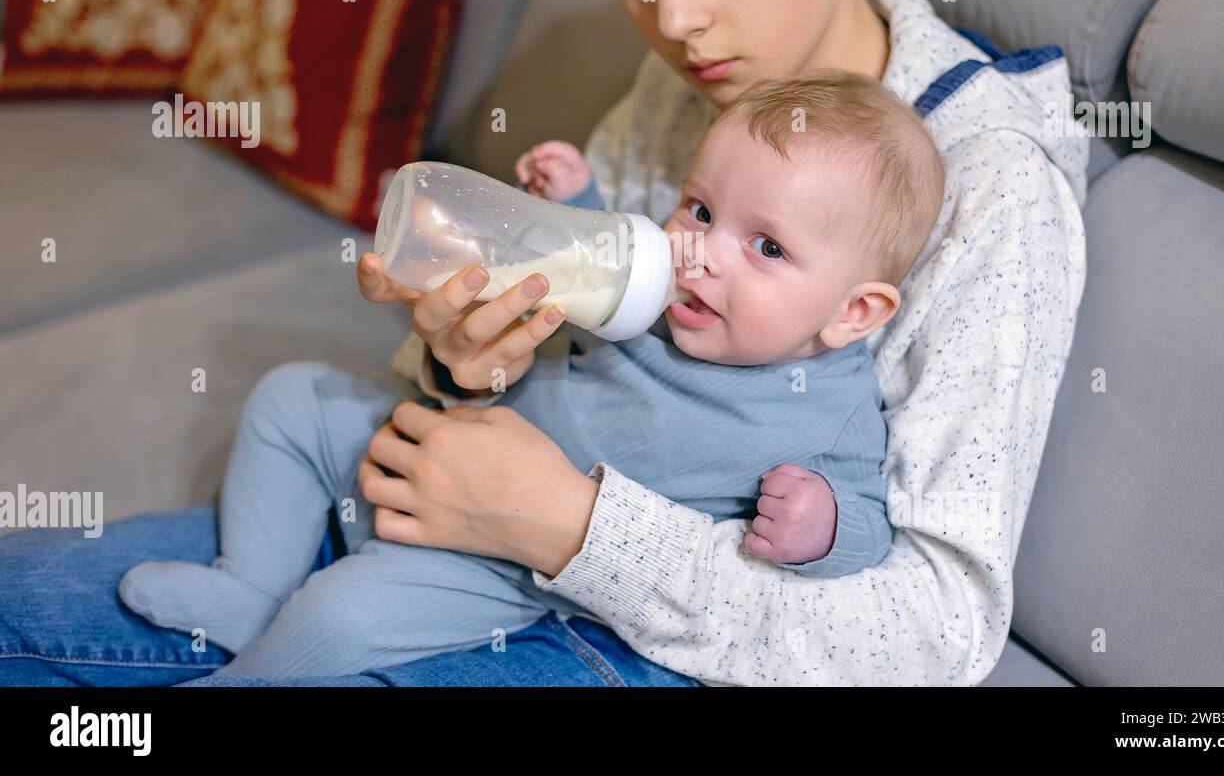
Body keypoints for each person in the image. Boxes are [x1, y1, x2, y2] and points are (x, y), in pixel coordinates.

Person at [0, 0, 1086, 687]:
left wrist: (570, 525)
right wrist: (465, 359)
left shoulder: (990, 183)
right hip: (473, 495)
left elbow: (934, 634)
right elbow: (575, 340)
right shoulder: (694, 82)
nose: (678, 21)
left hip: (654, 625)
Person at [113, 72, 943, 680]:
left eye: (766, 247)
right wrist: (578, 201)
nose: (700, 254)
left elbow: (872, 533)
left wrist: (824, 529)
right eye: (699, 209)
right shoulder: (665, 296)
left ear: (855, 314)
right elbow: (583, 274)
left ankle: (252, 671)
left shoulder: (826, 417)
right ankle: (250, 587)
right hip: (432, 436)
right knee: (292, 397)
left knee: (343, 614)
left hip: (499, 561)